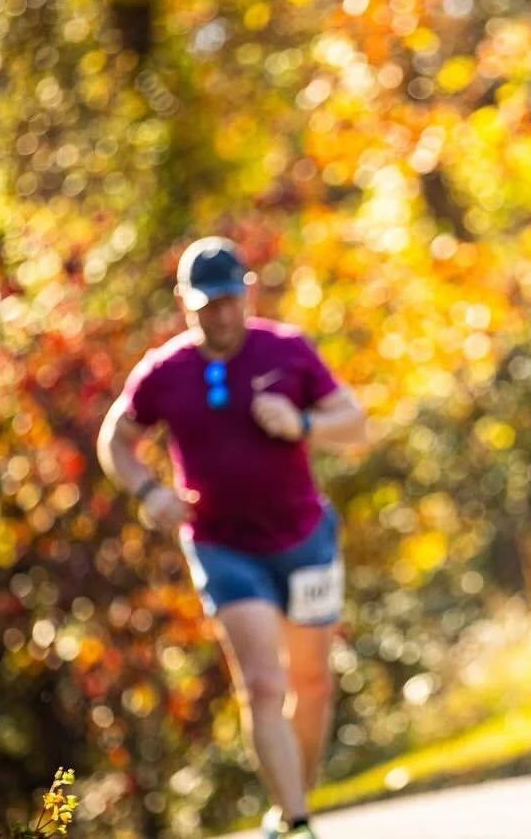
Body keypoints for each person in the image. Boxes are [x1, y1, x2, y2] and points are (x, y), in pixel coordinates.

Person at [97, 236, 369, 839]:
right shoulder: (165, 372)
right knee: (264, 682)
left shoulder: (288, 350)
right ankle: (298, 824)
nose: (219, 315)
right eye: (204, 305)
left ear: (247, 293)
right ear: (183, 304)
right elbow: (115, 438)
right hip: (223, 546)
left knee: (313, 682)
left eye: (227, 300)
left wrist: (301, 423)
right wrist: (150, 493)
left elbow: (355, 423)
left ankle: (288, 803)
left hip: (305, 541)